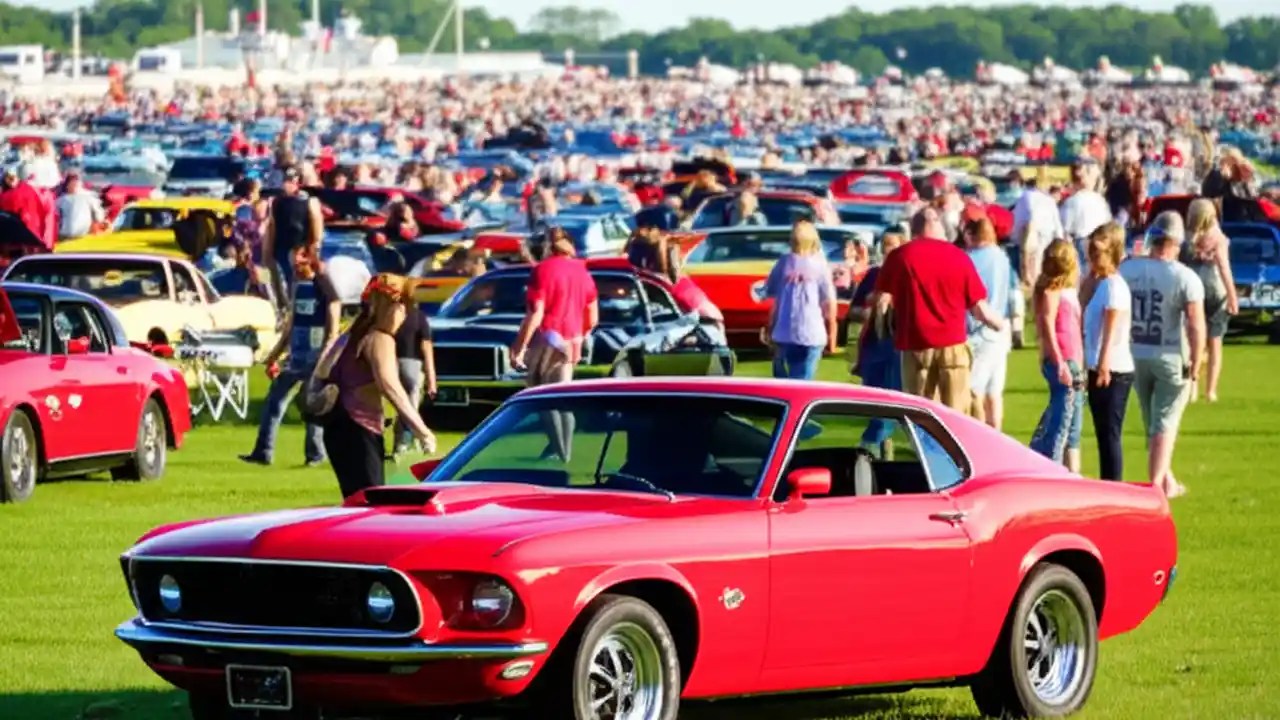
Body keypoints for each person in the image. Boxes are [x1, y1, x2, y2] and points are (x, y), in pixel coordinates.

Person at [874, 207, 1006, 412]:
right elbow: (979, 309)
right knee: (956, 414)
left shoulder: (899, 257)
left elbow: (882, 301)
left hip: (916, 346)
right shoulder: (959, 257)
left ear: (913, 229)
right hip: (953, 345)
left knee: (921, 414)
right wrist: (1000, 325)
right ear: (940, 228)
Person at [325, 274, 437, 498]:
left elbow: (324, 369)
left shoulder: (354, 333)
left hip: (337, 426)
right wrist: (422, 431)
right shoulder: (380, 338)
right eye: (403, 305)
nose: (405, 314)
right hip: (358, 428)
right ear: (390, 305)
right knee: (370, 504)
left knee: (354, 503)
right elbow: (391, 387)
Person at [1119, 211, 1205, 498]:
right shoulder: (1185, 276)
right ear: (1179, 243)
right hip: (1170, 353)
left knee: (1152, 421)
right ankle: (1156, 487)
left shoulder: (1129, 269)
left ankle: (1166, 479)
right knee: (1165, 422)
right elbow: (1195, 322)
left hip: (1135, 351)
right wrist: (1197, 358)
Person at [240, 246, 341, 467]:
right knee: (274, 403)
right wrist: (274, 356)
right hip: (296, 357)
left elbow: (333, 326)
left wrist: (324, 357)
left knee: (311, 406)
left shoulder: (325, 288)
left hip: (316, 357)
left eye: (300, 263)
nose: (295, 268)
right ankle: (263, 452)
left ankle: (315, 455)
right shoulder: (299, 286)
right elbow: (291, 325)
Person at [509, 229, 599, 461]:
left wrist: (519, 346)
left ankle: (561, 452)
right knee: (563, 396)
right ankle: (564, 450)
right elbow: (593, 316)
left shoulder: (542, 270)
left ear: (548, 247)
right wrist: (582, 334)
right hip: (573, 339)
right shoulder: (583, 271)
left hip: (549, 336)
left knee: (544, 398)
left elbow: (536, 313)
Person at [1081, 223, 1135, 481]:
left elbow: (1111, 326)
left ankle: (1113, 482)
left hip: (1113, 367)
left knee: (1110, 432)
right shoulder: (1100, 284)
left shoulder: (1114, 286)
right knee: (1103, 432)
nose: (1092, 259)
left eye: (1096, 254)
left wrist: (1103, 363)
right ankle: (1108, 480)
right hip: (1098, 364)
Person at [1028, 240, 1086, 472]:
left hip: (1072, 358)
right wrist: (1059, 361)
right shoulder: (1052, 291)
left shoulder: (1066, 290)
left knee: (1072, 421)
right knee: (1062, 421)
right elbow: (1047, 323)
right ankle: (1053, 466)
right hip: (1064, 358)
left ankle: (1072, 472)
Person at [851, 230, 905, 455]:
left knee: (892, 399)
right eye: (884, 245)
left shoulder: (906, 274)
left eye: (892, 245)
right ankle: (883, 452)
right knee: (872, 401)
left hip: (896, 346)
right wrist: (866, 309)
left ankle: (868, 447)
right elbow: (853, 309)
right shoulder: (873, 274)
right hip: (872, 346)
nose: (887, 250)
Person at [762, 220, 837, 380]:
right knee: (803, 381)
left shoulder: (784, 262)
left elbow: (773, 294)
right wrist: (832, 330)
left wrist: (771, 325)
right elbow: (829, 302)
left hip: (784, 331)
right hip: (812, 332)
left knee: (782, 384)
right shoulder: (820, 264)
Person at [1181, 198, 1238, 402]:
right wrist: (1233, 296)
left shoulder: (1186, 239)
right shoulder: (1217, 238)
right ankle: (1211, 390)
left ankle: (1192, 384)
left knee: (1193, 342)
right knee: (1215, 344)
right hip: (1216, 292)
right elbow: (1224, 268)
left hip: (1192, 293)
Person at [963, 217, 1012, 431]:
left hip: (980, 328)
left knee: (974, 390)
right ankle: (997, 437)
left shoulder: (971, 259)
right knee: (994, 392)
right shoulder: (1002, 257)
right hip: (1001, 325)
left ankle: (979, 437)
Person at [263, 165, 324, 310]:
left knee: (299, 285)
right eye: (286, 181)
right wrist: (267, 253)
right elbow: (272, 227)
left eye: (291, 181)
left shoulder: (309, 201)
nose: (287, 185)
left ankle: (297, 311)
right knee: (279, 282)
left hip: (301, 250)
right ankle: (283, 309)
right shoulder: (276, 202)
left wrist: (312, 251)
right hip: (281, 249)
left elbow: (316, 229)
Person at [392, 306, 437, 458]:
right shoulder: (419, 317)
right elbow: (426, 347)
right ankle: (407, 440)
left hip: (390, 362)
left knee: (401, 404)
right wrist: (431, 378)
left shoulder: (389, 316)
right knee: (411, 405)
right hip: (413, 364)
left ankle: (404, 439)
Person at [1011, 166, 1063, 286]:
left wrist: (1014, 237)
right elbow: (1058, 228)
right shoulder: (1048, 200)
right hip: (1043, 239)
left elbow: (1016, 221)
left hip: (1028, 237)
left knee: (1028, 270)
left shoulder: (1024, 198)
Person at [1059, 160, 1111, 277]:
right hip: (1099, 242)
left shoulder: (1072, 201)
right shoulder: (1100, 200)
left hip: (1081, 243)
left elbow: (1063, 229)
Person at [0, 167, 50, 249]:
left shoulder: (15, 194)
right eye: (8, 178)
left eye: (12, 177)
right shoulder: (28, 190)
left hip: (21, 234)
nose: (10, 180)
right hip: (30, 234)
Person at [54, 172, 105, 242]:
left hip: (65, 233)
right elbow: (99, 217)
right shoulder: (89, 197)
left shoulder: (60, 200)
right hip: (82, 232)